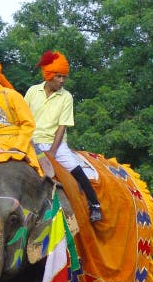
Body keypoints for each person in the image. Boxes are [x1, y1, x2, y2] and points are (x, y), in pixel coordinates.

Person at [24, 51, 102, 222]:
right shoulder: (32, 91)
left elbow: (62, 127)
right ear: (49, 75)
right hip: (31, 142)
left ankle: (95, 204)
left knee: (75, 168)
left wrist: (52, 151)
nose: (62, 80)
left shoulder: (66, 97)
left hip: (55, 144)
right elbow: (24, 118)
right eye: (59, 76)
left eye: (64, 77)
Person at [0, 48, 42, 176]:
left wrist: (18, 147)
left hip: (16, 144)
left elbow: (28, 123)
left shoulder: (12, 95)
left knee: (37, 178)